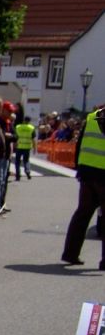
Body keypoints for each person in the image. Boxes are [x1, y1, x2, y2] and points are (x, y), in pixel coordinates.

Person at [60, 106, 105, 267]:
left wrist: (79, 167)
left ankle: (70, 254)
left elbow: (80, 144)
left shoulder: (93, 117)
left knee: (82, 213)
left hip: (87, 172)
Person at [14, 109, 36, 181]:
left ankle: (18, 175)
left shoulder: (18, 127)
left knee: (17, 161)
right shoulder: (31, 128)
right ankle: (27, 172)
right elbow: (33, 139)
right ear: (29, 121)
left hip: (19, 146)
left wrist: (14, 145)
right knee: (26, 160)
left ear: (24, 120)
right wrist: (34, 148)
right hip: (27, 147)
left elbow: (15, 137)